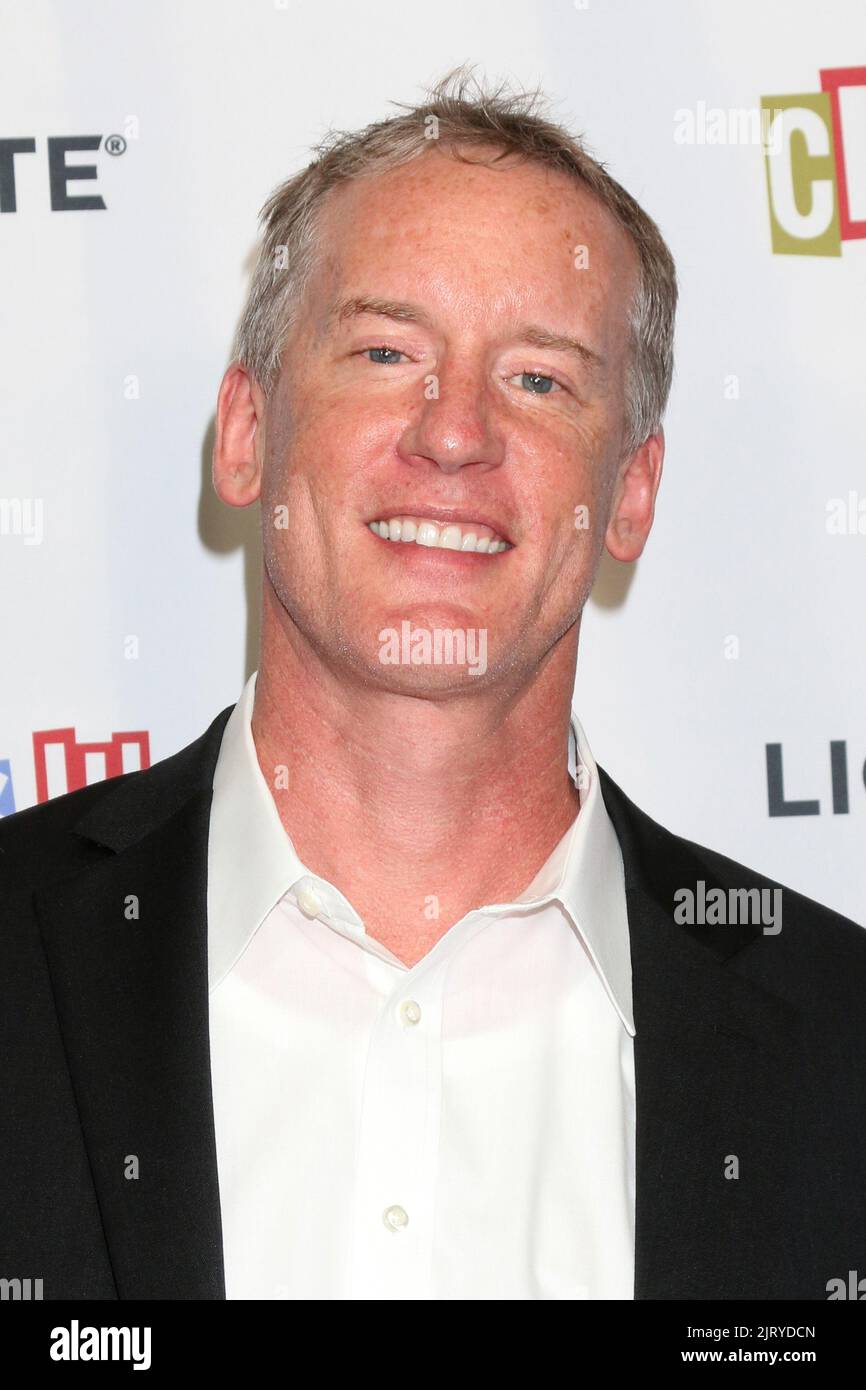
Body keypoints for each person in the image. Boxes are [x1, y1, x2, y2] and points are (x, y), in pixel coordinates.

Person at [2, 66, 864, 1302]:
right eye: (384, 348)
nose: (452, 431)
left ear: (630, 493)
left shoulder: (840, 1048)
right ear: (246, 434)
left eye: (538, 378)